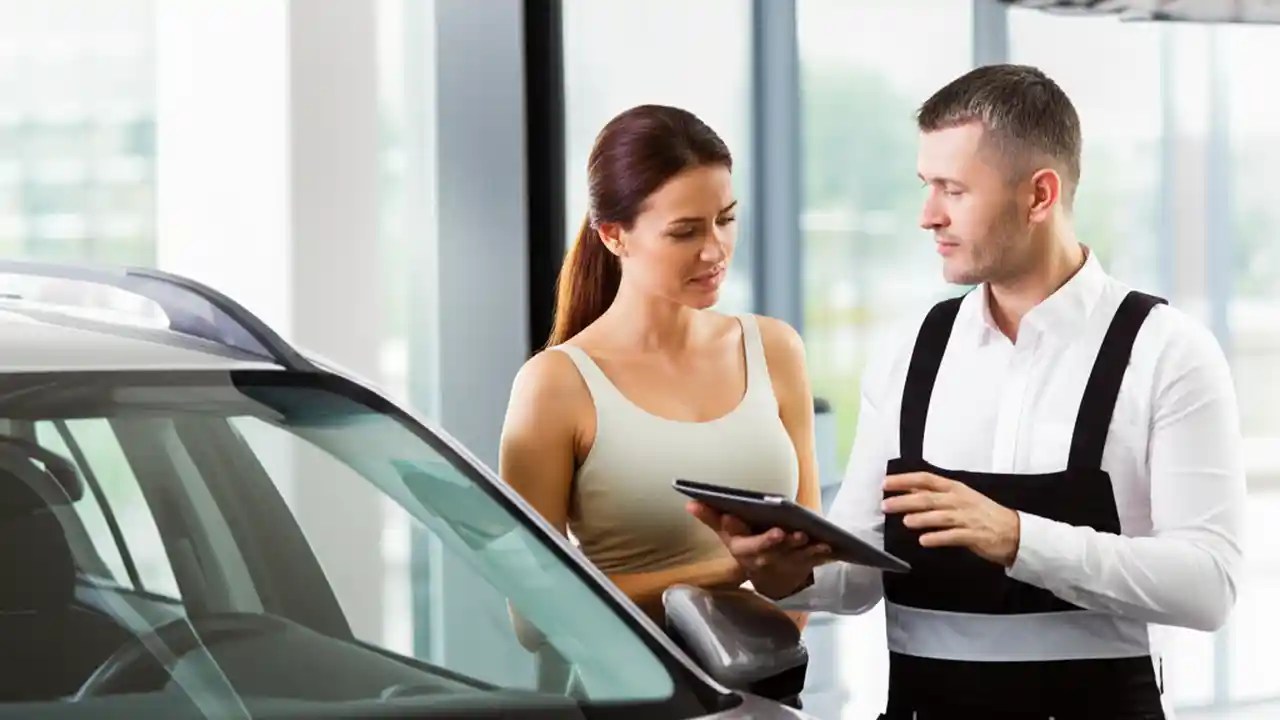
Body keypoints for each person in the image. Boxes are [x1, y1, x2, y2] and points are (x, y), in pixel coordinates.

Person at [690, 64, 1245, 719]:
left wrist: (1015, 536)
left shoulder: (1167, 352)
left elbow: (1209, 585)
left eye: (953, 189)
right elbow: (862, 573)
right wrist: (784, 572)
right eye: (927, 186)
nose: (928, 216)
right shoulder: (908, 350)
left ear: (1040, 196)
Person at [499, 104, 825, 625]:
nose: (715, 250)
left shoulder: (776, 350)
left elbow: (812, 577)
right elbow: (532, 614)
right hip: (620, 704)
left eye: (726, 219)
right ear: (613, 235)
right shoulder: (557, 385)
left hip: (768, 699)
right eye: (684, 232)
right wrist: (728, 570)